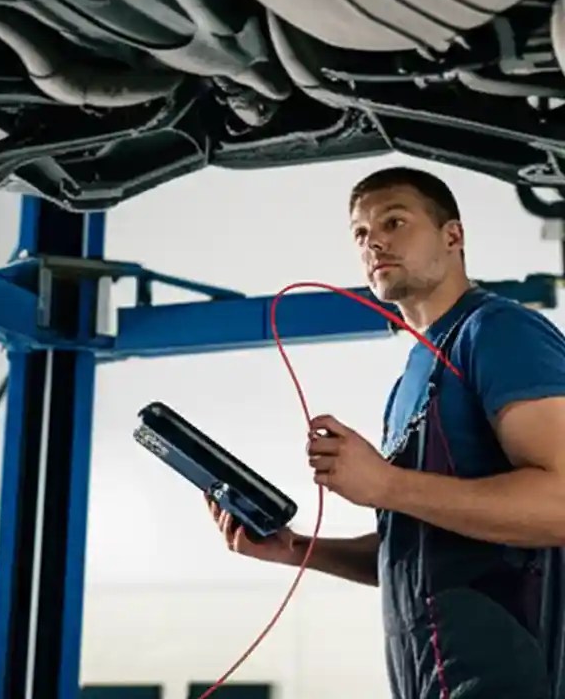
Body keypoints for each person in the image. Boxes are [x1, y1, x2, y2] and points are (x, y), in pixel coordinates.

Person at [209, 166, 565, 699]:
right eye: (360, 233)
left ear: (453, 236)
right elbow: (423, 549)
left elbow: (559, 503)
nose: (374, 240)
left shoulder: (498, 332)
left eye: (394, 221)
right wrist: (298, 549)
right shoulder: (410, 380)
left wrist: (386, 485)